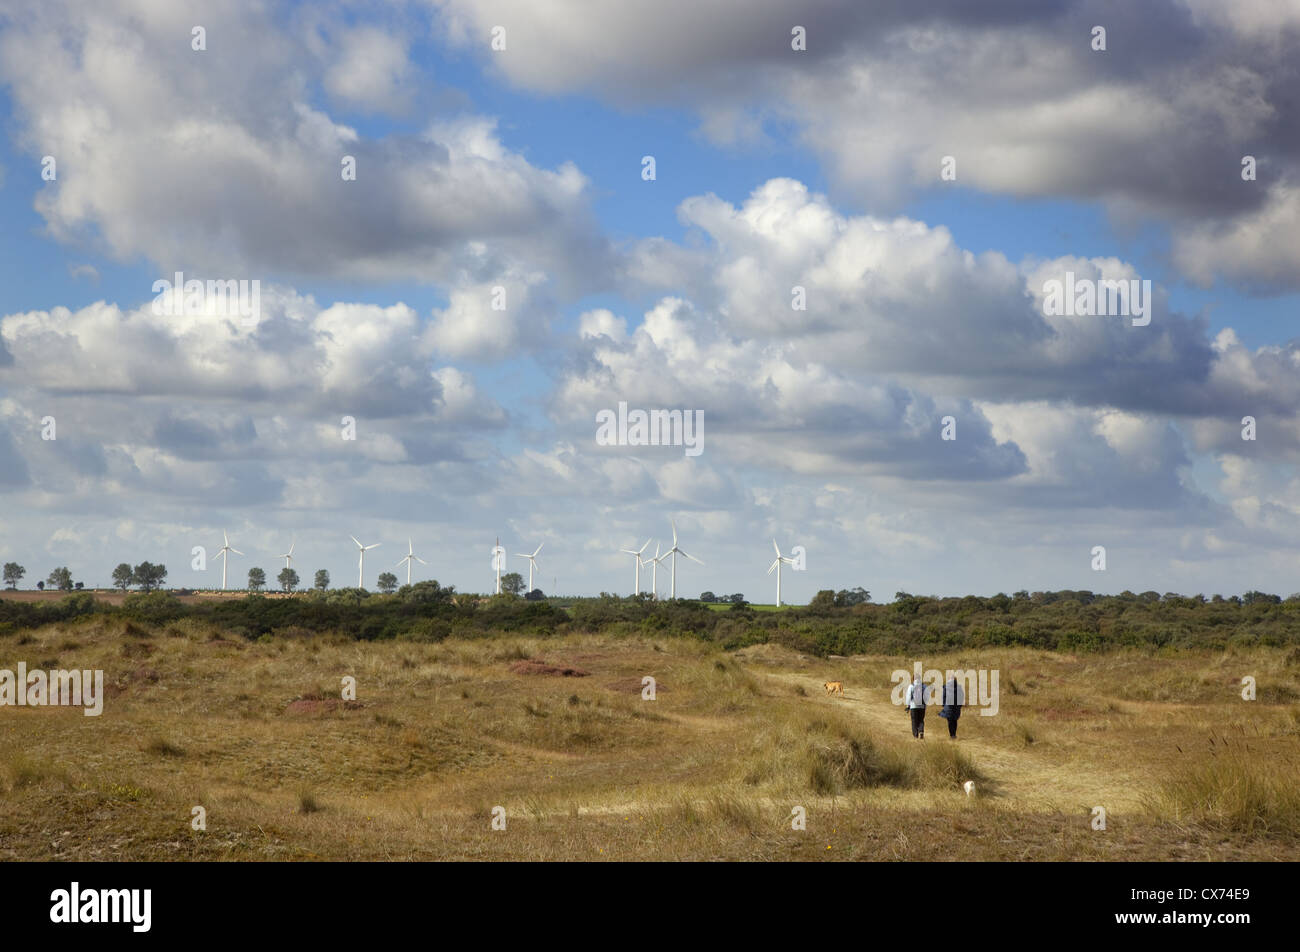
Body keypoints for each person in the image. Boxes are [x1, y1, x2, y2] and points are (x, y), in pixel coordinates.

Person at [938, 673, 964, 738]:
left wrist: (943, 704)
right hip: (956, 706)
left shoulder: (946, 686)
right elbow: (962, 696)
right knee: (955, 720)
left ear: (949, 679)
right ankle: (954, 734)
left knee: (950, 720)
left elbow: (943, 696)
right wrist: (960, 705)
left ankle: (951, 735)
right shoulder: (959, 687)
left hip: (948, 706)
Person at [905, 674, 926, 739]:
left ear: (913, 679)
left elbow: (908, 696)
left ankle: (915, 735)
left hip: (913, 706)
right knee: (921, 720)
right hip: (922, 706)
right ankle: (921, 731)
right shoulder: (924, 686)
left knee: (914, 720)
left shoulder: (911, 686)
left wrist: (907, 705)